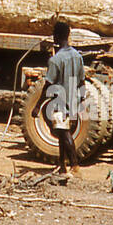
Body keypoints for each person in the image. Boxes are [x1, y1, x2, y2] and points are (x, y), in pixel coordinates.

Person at [43, 20, 85, 177]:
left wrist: (37, 105)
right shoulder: (77, 56)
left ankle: (75, 165)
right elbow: (82, 81)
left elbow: (48, 84)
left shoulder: (56, 60)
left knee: (64, 133)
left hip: (60, 102)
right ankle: (62, 165)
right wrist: (81, 99)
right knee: (62, 132)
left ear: (56, 36)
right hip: (73, 100)